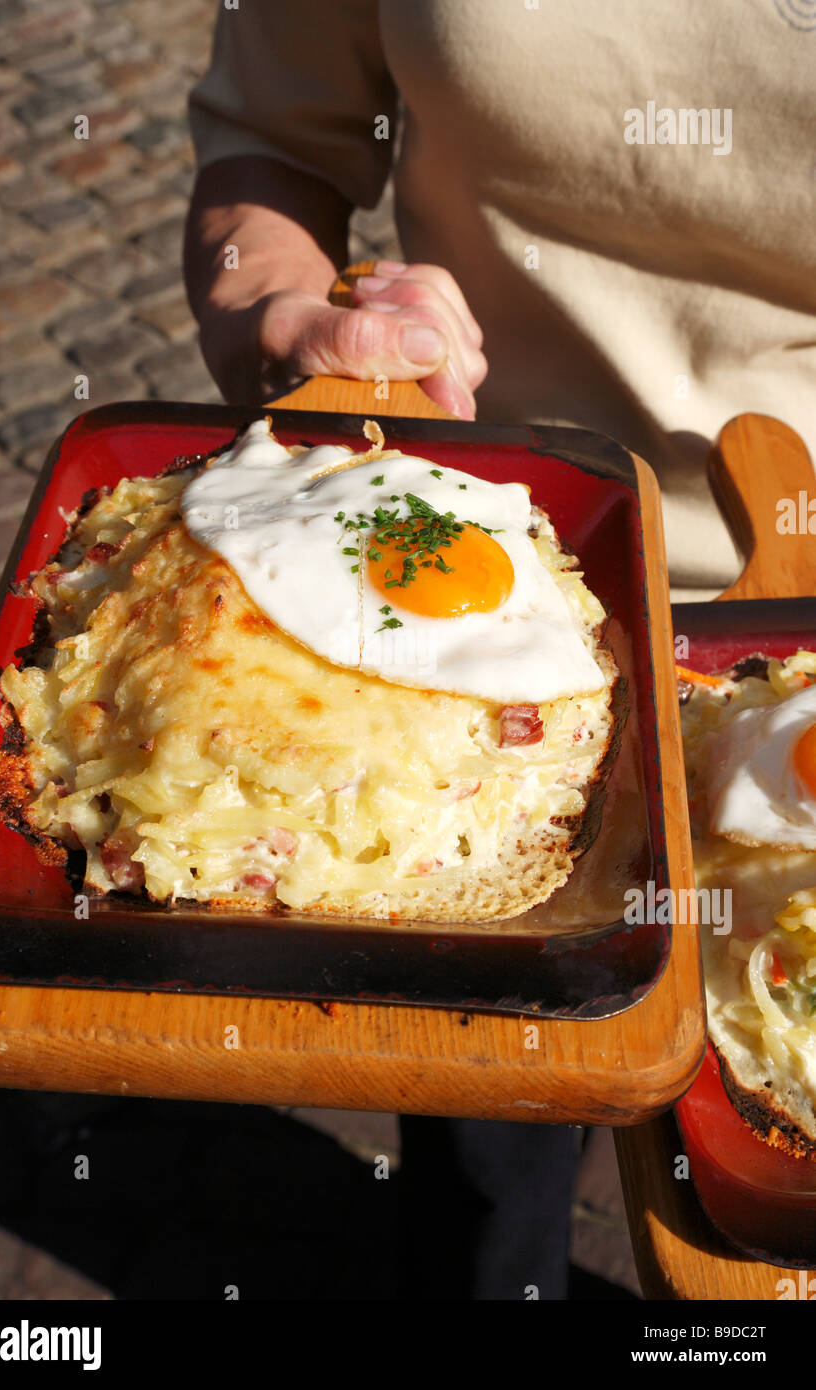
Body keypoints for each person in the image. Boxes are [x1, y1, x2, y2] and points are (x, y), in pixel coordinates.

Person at [182, 2, 815, 1297]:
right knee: (481, 1199)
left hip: (792, 617)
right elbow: (272, 143)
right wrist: (301, 320)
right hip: (451, 618)